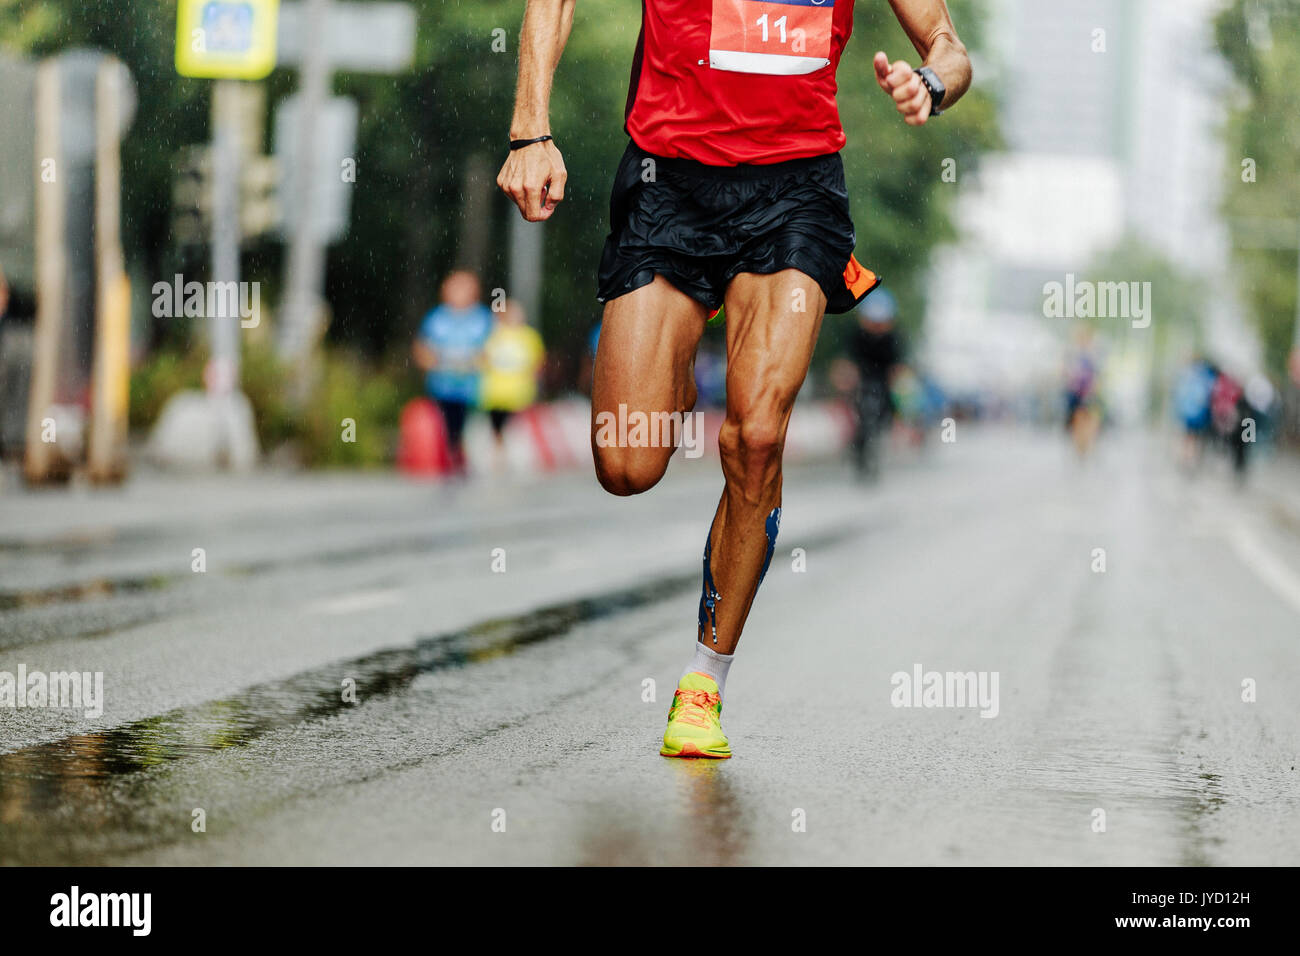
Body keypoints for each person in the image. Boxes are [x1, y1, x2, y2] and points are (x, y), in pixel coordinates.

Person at [498, 0, 971, 758]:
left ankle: (703, 683)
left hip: (796, 196)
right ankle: (682, 351)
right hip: (668, 184)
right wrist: (531, 129)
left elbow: (949, 47)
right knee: (627, 463)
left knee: (755, 435)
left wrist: (931, 85)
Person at [412, 271, 493, 474]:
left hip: (474, 391)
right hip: (443, 388)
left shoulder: (483, 319)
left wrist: (477, 362)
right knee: (448, 429)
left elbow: (493, 351)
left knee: (469, 428)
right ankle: (451, 459)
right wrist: (436, 363)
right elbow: (422, 350)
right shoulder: (436, 319)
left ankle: (468, 459)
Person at [480, 299, 546, 470]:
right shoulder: (495, 335)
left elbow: (539, 361)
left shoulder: (529, 336)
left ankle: (519, 456)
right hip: (497, 393)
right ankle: (500, 456)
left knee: (517, 428)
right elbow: (483, 359)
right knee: (498, 427)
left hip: (520, 392)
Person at [848, 288, 904, 479]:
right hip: (864, 379)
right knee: (858, 412)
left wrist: (897, 380)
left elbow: (898, 364)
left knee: (886, 411)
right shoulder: (857, 335)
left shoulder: (893, 337)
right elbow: (850, 361)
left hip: (883, 381)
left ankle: (883, 430)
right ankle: (858, 449)